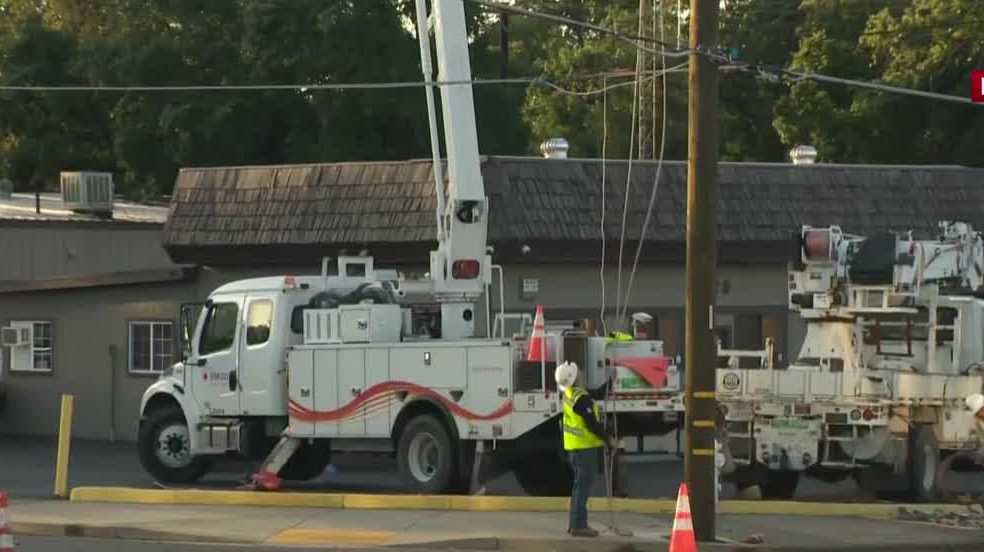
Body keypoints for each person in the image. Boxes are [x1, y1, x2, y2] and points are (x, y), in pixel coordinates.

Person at [555, 361, 617, 538]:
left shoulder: (572, 393)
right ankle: (579, 526)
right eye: (578, 372)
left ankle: (575, 524)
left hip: (575, 447)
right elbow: (592, 425)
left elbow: (594, 394)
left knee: (578, 487)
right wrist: (608, 439)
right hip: (584, 448)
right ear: (574, 378)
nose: (581, 372)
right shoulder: (581, 398)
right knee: (582, 488)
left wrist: (610, 382)